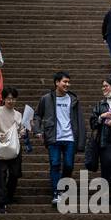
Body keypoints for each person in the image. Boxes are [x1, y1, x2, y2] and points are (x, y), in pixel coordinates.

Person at [35, 71, 86, 207]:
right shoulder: (46, 98)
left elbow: (79, 120)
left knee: (69, 165)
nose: (67, 84)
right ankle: (57, 193)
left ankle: (62, 185)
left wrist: (81, 139)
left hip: (69, 137)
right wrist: (38, 131)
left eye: (68, 82)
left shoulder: (73, 99)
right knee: (55, 164)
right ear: (57, 83)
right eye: (65, 81)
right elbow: (38, 115)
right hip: (54, 137)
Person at [0, 87, 25, 213]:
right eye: (8, 98)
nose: (11, 101)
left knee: (14, 174)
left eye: (13, 99)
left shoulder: (18, 114)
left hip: (15, 147)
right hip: (1, 145)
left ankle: (8, 195)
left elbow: (21, 131)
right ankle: (1, 203)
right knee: (0, 176)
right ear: (3, 99)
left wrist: (23, 131)